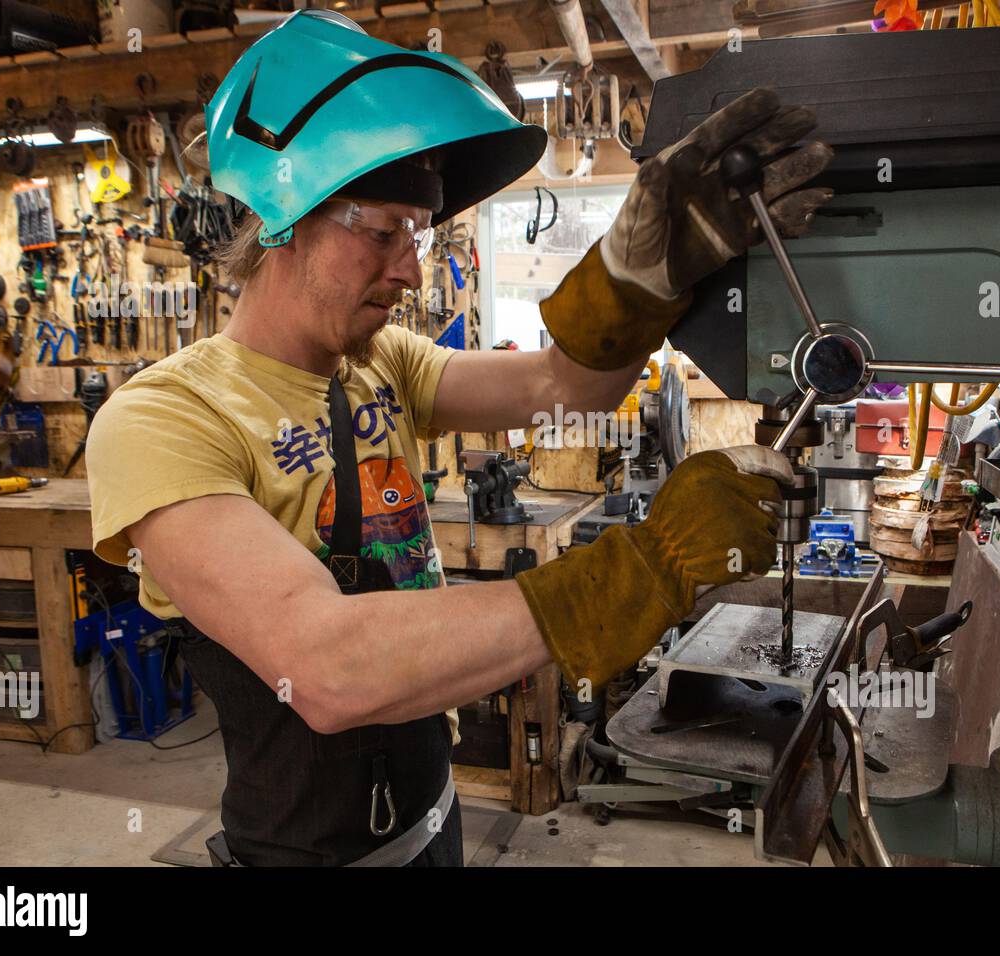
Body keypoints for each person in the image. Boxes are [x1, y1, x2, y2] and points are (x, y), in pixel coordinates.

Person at [85, 8, 832, 866]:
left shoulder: (381, 364)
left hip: (435, 821)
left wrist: (640, 281)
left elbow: (562, 385)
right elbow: (328, 667)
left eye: (417, 233)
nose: (408, 270)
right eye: (381, 232)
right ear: (282, 219)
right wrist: (649, 566)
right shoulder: (161, 420)